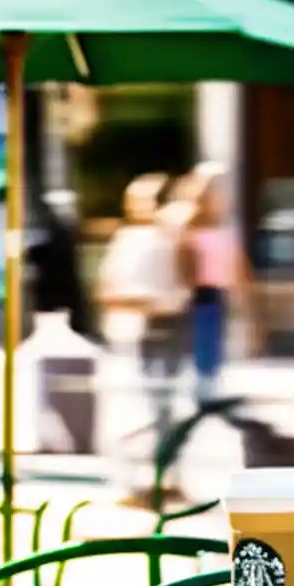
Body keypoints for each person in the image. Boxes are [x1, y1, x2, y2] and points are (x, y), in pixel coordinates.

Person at [96, 173, 194, 432]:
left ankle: (167, 447)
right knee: (150, 392)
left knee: (171, 391)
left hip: (173, 318)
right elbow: (108, 285)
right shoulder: (128, 239)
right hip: (140, 323)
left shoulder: (174, 236)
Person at [176, 162, 257, 402]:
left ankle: (209, 385)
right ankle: (202, 387)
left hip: (218, 292)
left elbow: (239, 266)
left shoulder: (226, 227)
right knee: (203, 342)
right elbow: (183, 266)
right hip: (199, 294)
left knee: (216, 342)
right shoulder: (187, 226)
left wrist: (248, 303)